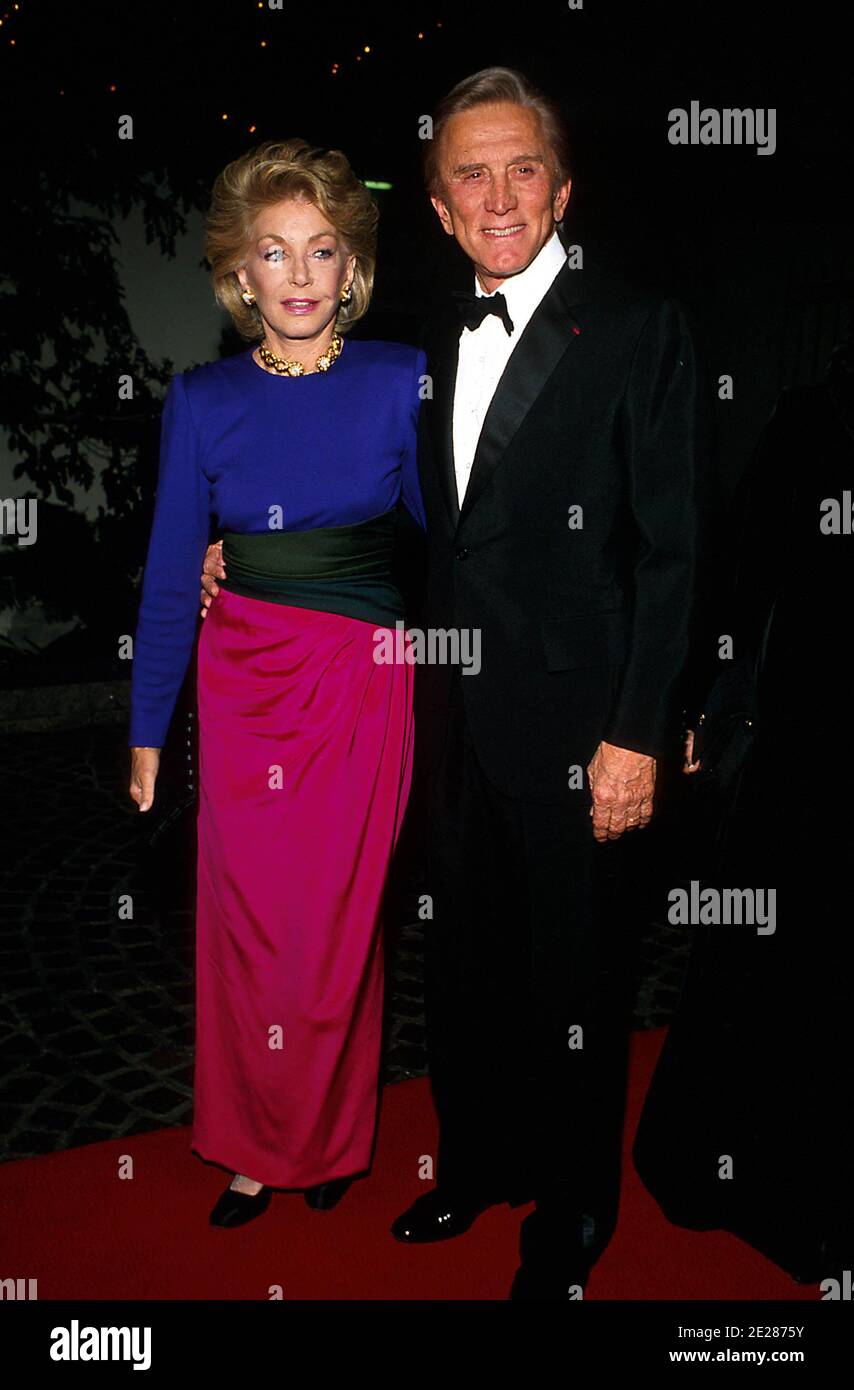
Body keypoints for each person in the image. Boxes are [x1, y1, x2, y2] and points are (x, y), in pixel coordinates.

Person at [203, 69, 710, 1299]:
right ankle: (480, 1165)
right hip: (440, 715)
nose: (496, 194)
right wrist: (245, 556)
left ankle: (574, 1214)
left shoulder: (638, 327)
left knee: (575, 980)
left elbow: (676, 546)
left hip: (582, 725)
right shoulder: (418, 343)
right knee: (467, 967)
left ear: (562, 187)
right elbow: (382, 510)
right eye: (468, 173)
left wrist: (643, 728)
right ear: (433, 205)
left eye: (520, 167)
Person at [128, 139, 426, 1229]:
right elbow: (170, 566)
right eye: (273, 252)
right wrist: (146, 728)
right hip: (242, 679)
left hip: (359, 681)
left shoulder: (402, 380)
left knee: (337, 929)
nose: (298, 275)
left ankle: (333, 1137)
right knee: (249, 928)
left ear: (350, 267)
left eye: (321, 251)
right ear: (237, 272)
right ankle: (253, 1149)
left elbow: (459, 539)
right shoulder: (200, 398)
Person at [633, 320, 854, 1284]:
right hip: (812, 749)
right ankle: (772, 1188)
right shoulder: (815, 416)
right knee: (786, 960)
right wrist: (701, 704)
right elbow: (744, 566)